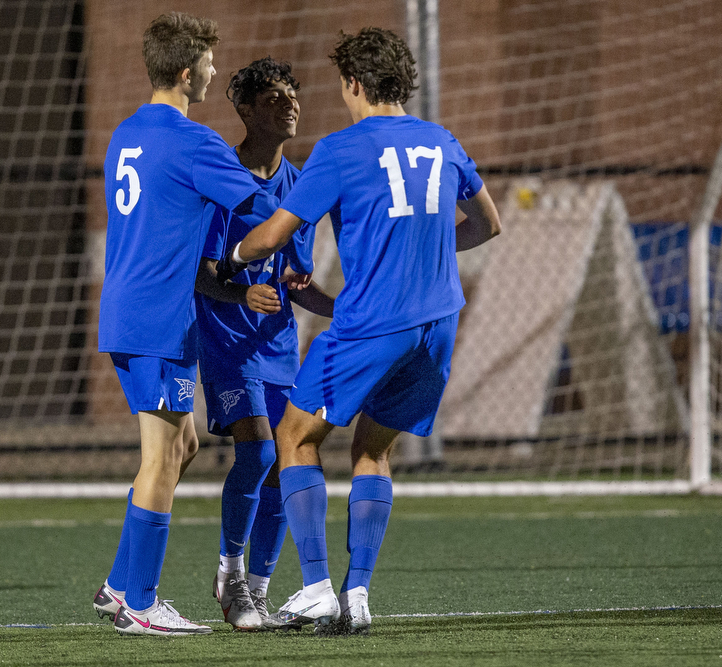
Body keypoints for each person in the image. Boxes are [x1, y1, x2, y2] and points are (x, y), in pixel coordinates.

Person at [217, 27, 502, 634]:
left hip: (373, 323)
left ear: (352, 82)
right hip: (439, 325)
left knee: (294, 436)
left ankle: (317, 585)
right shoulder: (442, 140)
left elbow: (271, 235)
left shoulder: (341, 148)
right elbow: (487, 224)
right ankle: (359, 596)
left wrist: (232, 260)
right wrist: (423, 254)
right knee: (373, 450)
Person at [91, 12, 281, 636]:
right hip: (160, 320)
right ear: (183, 70)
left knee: (185, 443)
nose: (214, 71)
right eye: (207, 62)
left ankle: (119, 586)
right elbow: (263, 205)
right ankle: (139, 605)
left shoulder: (126, 133)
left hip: (126, 310)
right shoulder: (192, 141)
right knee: (163, 456)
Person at [194, 57, 335, 632]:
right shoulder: (219, 180)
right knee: (258, 452)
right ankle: (229, 575)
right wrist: (239, 295)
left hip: (279, 348)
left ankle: (257, 589)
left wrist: (343, 308)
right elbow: (200, 274)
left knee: (288, 460)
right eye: (275, 98)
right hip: (228, 341)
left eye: (292, 96)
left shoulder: (298, 185)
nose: (290, 106)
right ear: (246, 110)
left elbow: (295, 281)